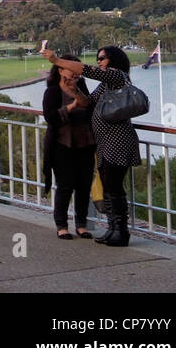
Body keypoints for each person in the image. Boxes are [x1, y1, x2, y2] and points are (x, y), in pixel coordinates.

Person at [44, 46, 141, 246]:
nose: (99, 61)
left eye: (102, 58)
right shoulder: (105, 85)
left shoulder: (116, 76)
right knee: (108, 186)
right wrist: (73, 91)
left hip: (117, 140)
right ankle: (113, 229)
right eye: (98, 58)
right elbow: (88, 103)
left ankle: (121, 232)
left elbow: (86, 70)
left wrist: (56, 60)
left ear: (113, 60)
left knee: (113, 187)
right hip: (104, 142)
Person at [41, 55, 96, 239]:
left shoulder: (81, 86)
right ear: (60, 70)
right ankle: (62, 226)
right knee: (65, 186)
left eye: (76, 70)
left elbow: (89, 106)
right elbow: (50, 118)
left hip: (85, 143)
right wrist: (71, 106)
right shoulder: (53, 92)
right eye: (70, 69)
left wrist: (76, 91)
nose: (74, 74)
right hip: (62, 144)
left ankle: (81, 224)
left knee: (84, 185)